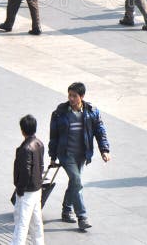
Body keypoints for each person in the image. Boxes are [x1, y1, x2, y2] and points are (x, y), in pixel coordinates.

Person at [48, 82, 111, 231]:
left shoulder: (91, 112)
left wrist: (105, 150)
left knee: (74, 182)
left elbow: (100, 131)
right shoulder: (59, 113)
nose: (70, 98)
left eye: (74, 96)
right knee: (77, 181)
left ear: (82, 97)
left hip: (82, 155)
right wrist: (53, 156)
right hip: (66, 154)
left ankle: (66, 209)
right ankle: (82, 217)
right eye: (69, 95)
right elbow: (54, 136)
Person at [11, 114, 45, 245]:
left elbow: (25, 171)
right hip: (37, 188)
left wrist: (20, 189)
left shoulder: (25, 148)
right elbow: (40, 166)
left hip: (27, 191)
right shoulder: (39, 144)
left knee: (21, 223)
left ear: (22, 130)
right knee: (36, 222)